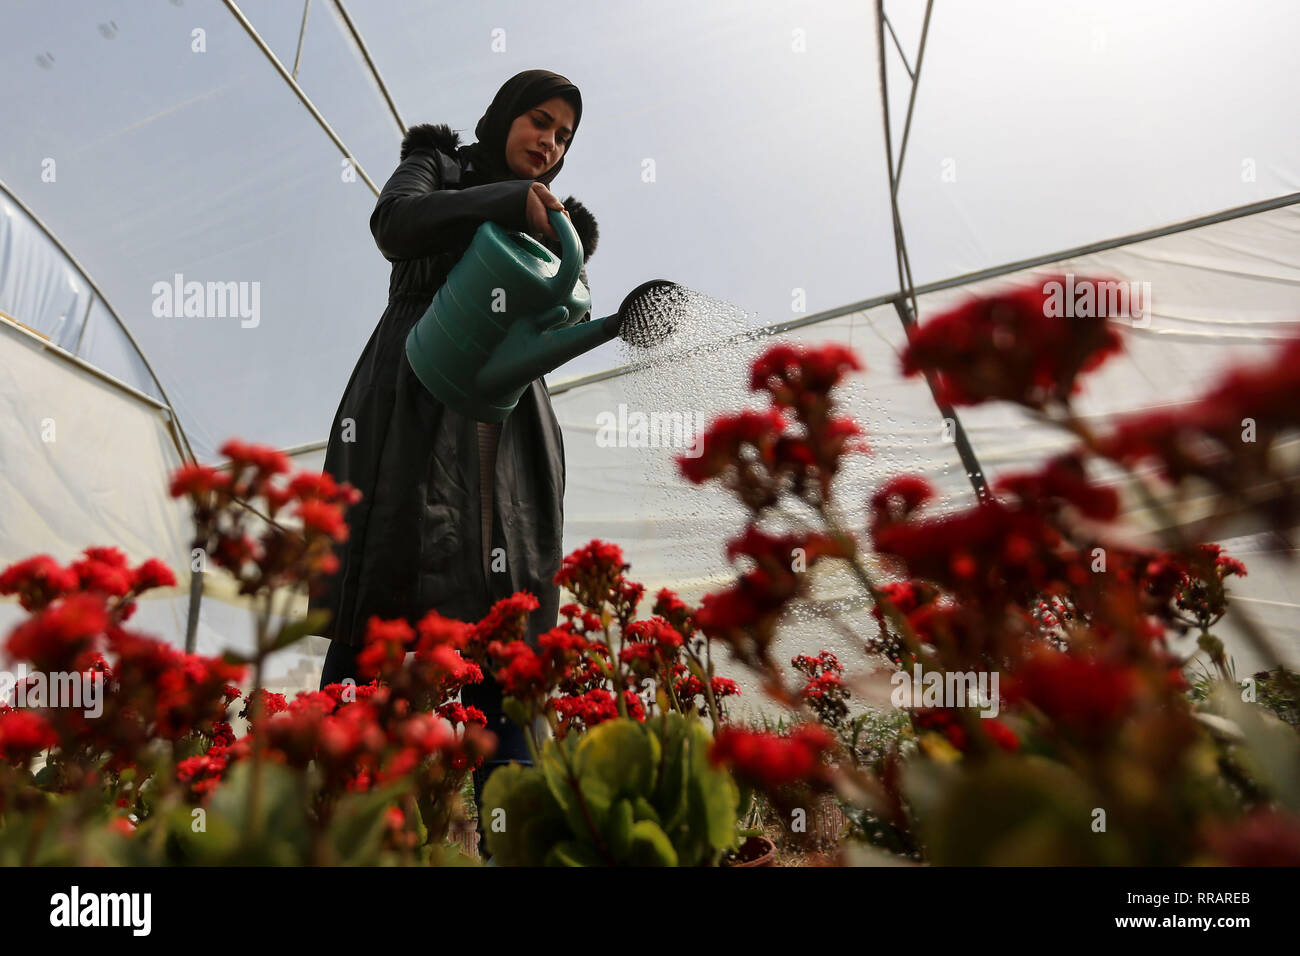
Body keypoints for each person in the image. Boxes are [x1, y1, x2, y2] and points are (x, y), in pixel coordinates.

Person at [307, 69, 599, 858]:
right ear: (505, 116)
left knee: (502, 635)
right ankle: (335, 830)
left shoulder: (562, 219)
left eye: (564, 135)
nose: (550, 141)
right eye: (539, 121)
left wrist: (557, 237)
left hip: (504, 417)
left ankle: (519, 842)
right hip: (408, 394)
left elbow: (562, 305)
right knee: (379, 590)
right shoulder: (438, 166)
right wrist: (503, 203)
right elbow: (395, 224)